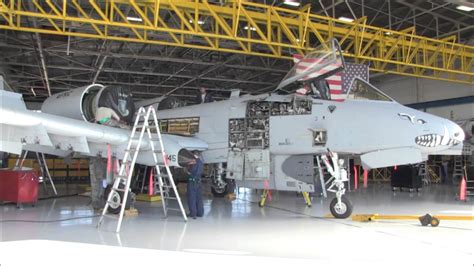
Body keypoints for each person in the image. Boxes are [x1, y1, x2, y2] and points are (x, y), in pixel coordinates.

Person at [186, 151, 204, 219]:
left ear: (194, 155)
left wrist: (187, 169)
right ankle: (200, 213)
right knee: (199, 198)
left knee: (192, 197)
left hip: (192, 182)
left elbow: (191, 171)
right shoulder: (201, 162)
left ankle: (193, 213)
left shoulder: (194, 163)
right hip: (198, 182)